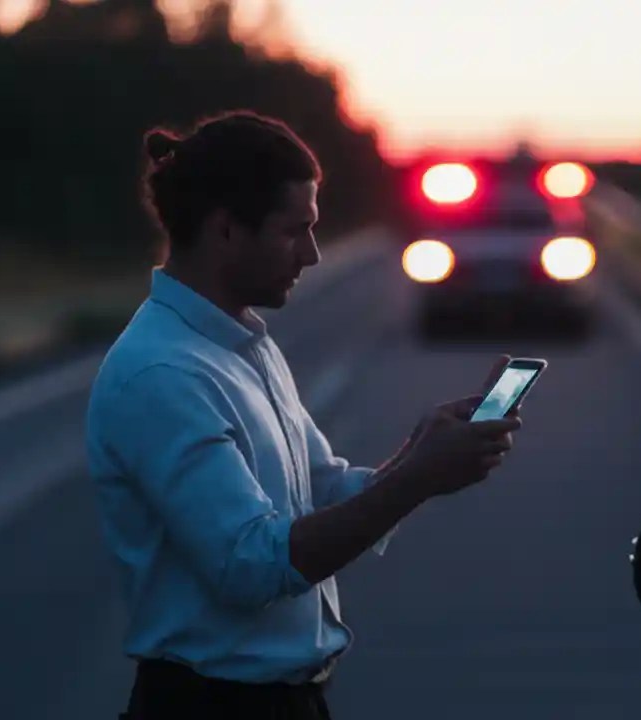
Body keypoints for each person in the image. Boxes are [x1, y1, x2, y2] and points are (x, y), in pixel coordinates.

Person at [85, 111, 522, 720]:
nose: (314, 254)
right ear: (226, 230)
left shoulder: (244, 345)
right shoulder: (164, 374)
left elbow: (323, 491)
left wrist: (424, 449)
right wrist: (418, 477)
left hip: (286, 702)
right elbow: (253, 565)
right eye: (296, 231)